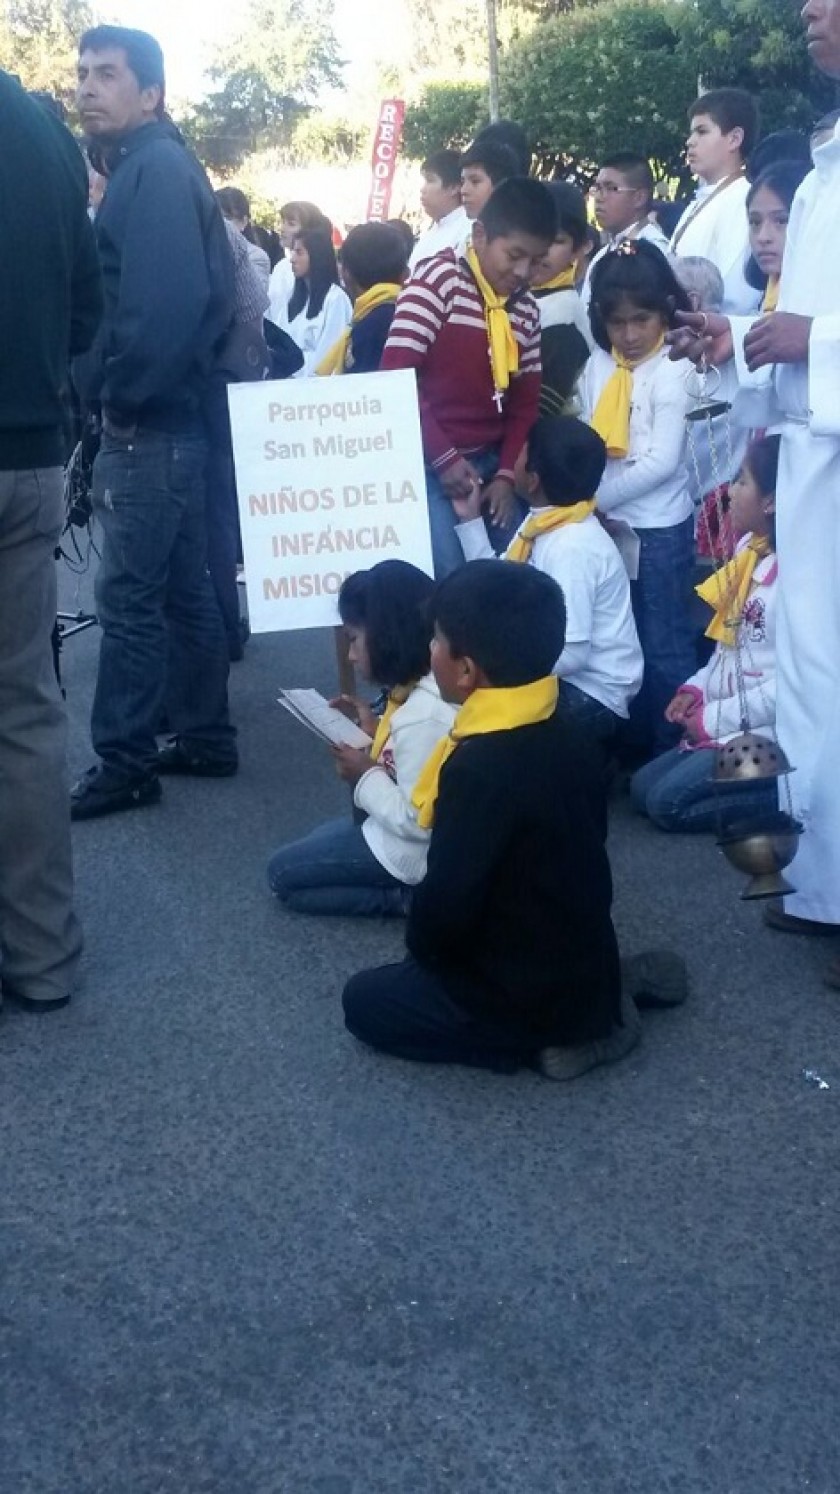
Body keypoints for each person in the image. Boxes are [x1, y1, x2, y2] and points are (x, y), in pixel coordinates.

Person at [668, 0, 840, 959]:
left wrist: (818, 339)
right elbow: (800, 337)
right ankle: (821, 886)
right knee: (820, 679)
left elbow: (820, 331)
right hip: (819, 468)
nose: (811, 8)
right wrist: (742, 343)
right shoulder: (821, 168)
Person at [341, 561, 643, 1078]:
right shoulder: (566, 727)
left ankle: (556, 1038)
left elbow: (448, 903)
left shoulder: (477, 765)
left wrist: (424, 957)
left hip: (513, 984)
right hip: (578, 946)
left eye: (436, 641)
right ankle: (604, 993)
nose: (428, 650)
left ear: (465, 671)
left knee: (363, 1001)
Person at [71, 26, 237, 820]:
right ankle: (204, 735)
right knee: (178, 589)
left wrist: (119, 397)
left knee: (132, 598)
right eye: (83, 74)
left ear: (152, 94)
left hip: (152, 423)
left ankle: (126, 760)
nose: (88, 87)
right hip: (170, 419)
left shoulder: (158, 171)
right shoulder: (153, 167)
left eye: (108, 74)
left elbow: (164, 309)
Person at [0, 68, 101, 1011]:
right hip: (28, 454)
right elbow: (86, 309)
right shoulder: (41, 135)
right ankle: (40, 956)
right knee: (24, 712)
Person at [381, 177, 554, 578]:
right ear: (479, 235)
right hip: (426, 461)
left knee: (517, 563)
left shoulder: (526, 309)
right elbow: (395, 379)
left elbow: (525, 403)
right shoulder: (436, 282)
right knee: (450, 570)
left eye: (536, 260)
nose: (523, 271)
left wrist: (508, 475)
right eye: (514, 255)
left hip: (492, 464)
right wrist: (444, 459)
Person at [268, 562, 455, 916]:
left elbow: (417, 823)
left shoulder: (422, 714)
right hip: (400, 831)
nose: (350, 655)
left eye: (353, 639)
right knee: (314, 845)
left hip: (413, 853)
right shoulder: (422, 688)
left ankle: (405, 899)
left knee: (281, 874)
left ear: (387, 635)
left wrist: (365, 771)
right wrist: (375, 737)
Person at [453, 416, 643, 752]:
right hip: (565, 678)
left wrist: (499, 669)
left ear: (534, 479)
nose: (515, 459)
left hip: (593, 693)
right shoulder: (547, 519)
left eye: (522, 453)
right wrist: (470, 519)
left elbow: (572, 652)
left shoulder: (571, 545)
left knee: (487, 728)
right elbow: (497, 581)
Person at [579, 240, 694, 759]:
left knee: (664, 643)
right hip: (608, 526)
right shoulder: (599, 366)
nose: (628, 335)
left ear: (665, 312)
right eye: (616, 322)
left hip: (659, 528)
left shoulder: (674, 367)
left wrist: (597, 496)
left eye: (641, 320)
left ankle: (672, 749)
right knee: (620, 640)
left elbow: (661, 462)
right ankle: (633, 745)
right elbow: (586, 433)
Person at [631, 435, 780, 832]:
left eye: (742, 482)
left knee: (667, 805)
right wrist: (695, 690)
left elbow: (787, 689)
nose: (729, 492)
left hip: (765, 732)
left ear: (772, 502)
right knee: (641, 789)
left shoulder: (794, 580)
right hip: (727, 720)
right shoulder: (749, 552)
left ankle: (786, 795)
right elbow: (727, 648)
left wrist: (710, 721)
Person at [670, 88, 761, 314]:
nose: (690, 142)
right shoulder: (702, 200)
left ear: (734, 139)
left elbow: (736, 295)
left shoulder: (743, 199)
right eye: (691, 133)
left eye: (702, 132)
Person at [530, 181, 593, 417]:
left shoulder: (563, 317)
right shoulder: (513, 297)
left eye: (557, 241)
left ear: (578, 250)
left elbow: (540, 411)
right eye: (536, 234)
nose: (543, 249)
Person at [582, 152, 670, 313]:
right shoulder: (602, 254)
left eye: (611, 188)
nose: (600, 198)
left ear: (639, 198)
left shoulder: (654, 249)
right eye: (598, 188)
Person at [318, 222, 407, 376]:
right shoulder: (407, 310)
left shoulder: (372, 326)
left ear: (347, 272)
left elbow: (362, 393)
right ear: (403, 271)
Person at [275, 227, 351, 377]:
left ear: (317, 256)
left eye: (299, 252)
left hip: (313, 390)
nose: (292, 259)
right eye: (292, 252)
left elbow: (329, 354)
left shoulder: (335, 299)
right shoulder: (292, 297)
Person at [267, 199, 331, 327]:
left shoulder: (333, 297)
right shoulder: (281, 266)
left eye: (291, 224)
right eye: (282, 222)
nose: (282, 228)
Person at [408, 149, 469, 270]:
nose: (422, 189)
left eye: (430, 180)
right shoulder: (431, 232)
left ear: (454, 188)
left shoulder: (467, 232)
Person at [215, 185, 271, 294]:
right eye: (217, 217)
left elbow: (254, 297)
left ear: (244, 222)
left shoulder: (256, 257)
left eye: (227, 218)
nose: (222, 224)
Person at [459, 140, 520, 223]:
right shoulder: (474, 231)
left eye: (475, 181)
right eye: (462, 182)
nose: (463, 190)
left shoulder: (522, 233)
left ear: (502, 185)